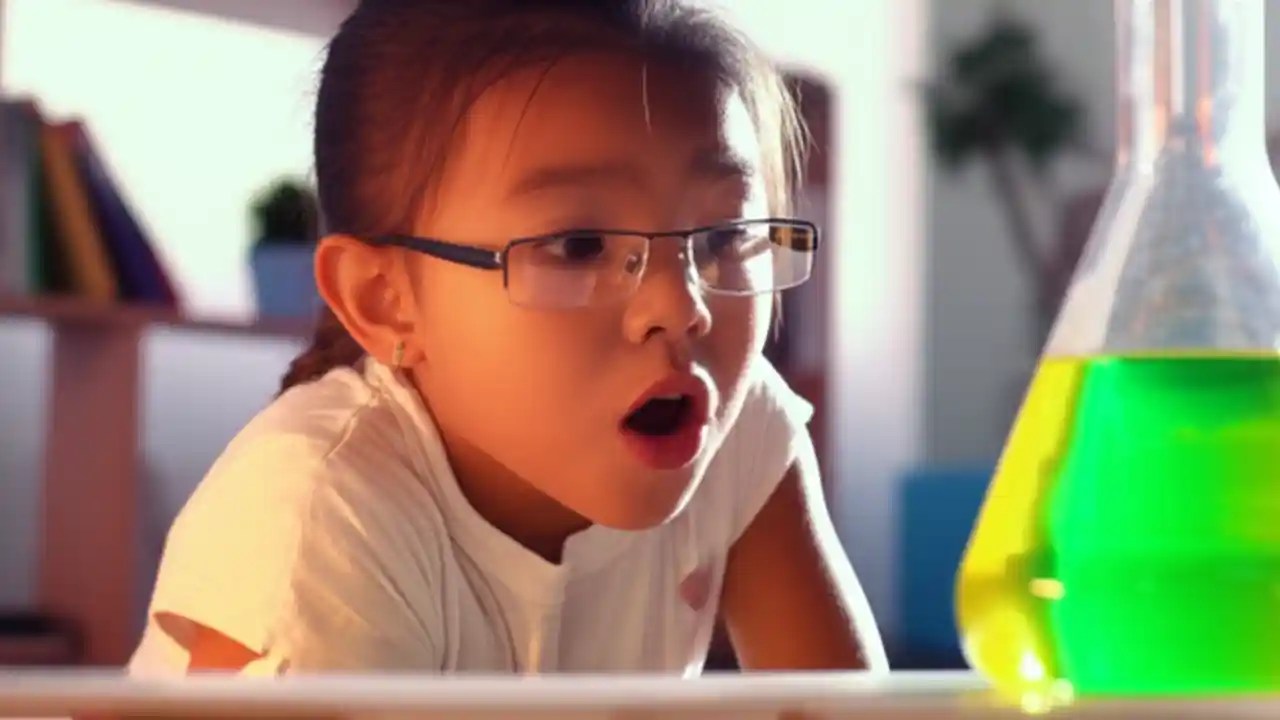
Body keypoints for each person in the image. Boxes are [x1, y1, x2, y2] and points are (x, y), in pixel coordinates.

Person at [128, 0, 886, 676]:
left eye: (722, 235)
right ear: (385, 302)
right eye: (580, 245)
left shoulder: (740, 427)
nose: (680, 307)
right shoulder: (317, 515)